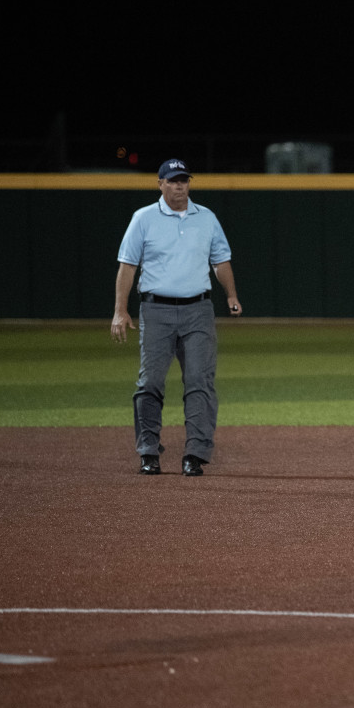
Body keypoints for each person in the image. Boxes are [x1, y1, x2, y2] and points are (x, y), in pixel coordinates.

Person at [110, 158, 242, 477]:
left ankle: (195, 453)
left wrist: (231, 295)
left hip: (198, 310)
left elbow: (220, 261)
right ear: (161, 184)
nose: (179, 185)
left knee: (199, 381)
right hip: (156, 310)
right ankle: (148, 451)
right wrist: (120, 309)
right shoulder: (143, 218)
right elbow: (128, 266)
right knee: (150, 382)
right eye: (173, 180)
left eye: (184, 180)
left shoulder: (206, 217)